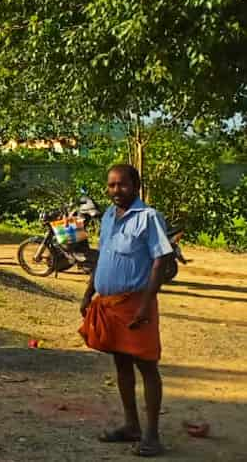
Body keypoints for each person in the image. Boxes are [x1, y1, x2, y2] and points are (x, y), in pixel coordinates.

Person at [79, 164, 174, 457]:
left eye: (121, 185)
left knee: (146, 366)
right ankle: (131, 425)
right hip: (108, 304)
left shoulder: (149, 218)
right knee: (120, 364)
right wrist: (88, 293)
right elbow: (102, 256)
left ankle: (152, 436)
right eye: (111, 185)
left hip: (136, 304)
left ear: (135, 186)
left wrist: (146, 304)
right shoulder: (108, 216)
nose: (115, 191)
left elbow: (161, 260)